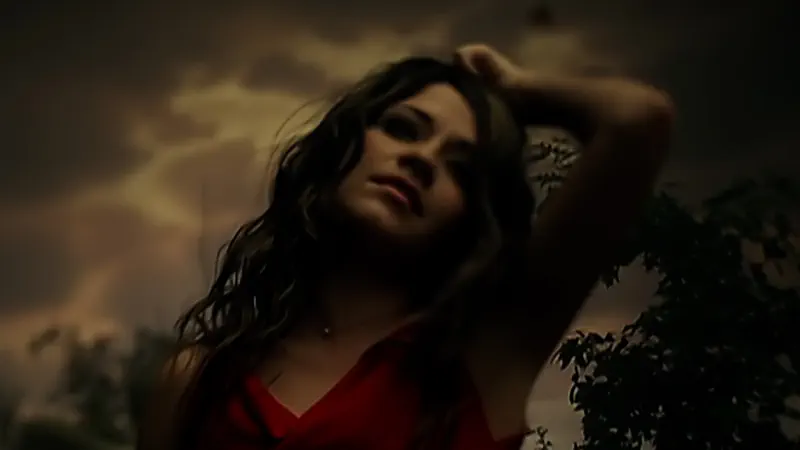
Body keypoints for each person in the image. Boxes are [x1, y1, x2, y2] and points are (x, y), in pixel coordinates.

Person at [137, 43, 674, 450]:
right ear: (342, 146)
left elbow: (637, 120)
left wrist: (514, 90)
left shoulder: (484, 358)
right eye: (403, 128)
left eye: (460, 167)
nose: (422, 159)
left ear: (472, 219)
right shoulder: (196, 379)